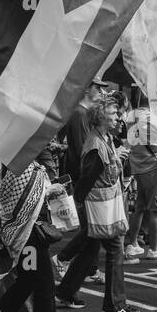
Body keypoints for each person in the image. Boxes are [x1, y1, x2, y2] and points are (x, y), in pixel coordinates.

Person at [54, 97, 138, 312]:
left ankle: (65, 291)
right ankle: (114, 304)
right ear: (100, 118)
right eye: (113, 113)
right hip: (100, 205)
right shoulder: (96, 144)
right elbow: (88, 178)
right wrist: (113, 160)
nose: (118, 117)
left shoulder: (105, 138)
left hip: (103, 203)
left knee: (90, 247)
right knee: (115, 249)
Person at [0, 158, 71, 312]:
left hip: (25, 232)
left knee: (26, 283)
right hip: (26, 233)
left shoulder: (16, 158)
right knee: (43, 285)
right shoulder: (9, 160)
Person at [54, 78, 112, 280]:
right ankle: (65, 258)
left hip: (85, 178)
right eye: (98, 88)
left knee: (93, 228)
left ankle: (88, 268)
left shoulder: (82, 113)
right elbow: (83, 151)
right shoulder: (79, 113)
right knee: (92, 228)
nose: (102, 93)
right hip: (84, 179)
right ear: (86, 88)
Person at [123, 103, 157, 262]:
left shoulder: (131, 115)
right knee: (156, 209)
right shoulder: (150, 118)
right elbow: (156, 144)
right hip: (152, 165)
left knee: (140, 206)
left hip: (138, 164)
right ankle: (154, 248)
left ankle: (132, 244)